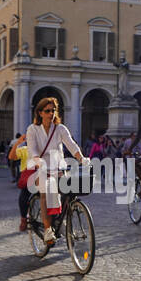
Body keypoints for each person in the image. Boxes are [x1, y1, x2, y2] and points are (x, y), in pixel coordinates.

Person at [26, 97, 88, 245]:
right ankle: (48, 229)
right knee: (45, 193)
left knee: (67, 192)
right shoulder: (32, 130)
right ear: (40, 113)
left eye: (53, 110)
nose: (51, 114)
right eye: (47, 111)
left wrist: (81, 158)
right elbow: (32, 150)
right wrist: (38, 160)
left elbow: (71, 145)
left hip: (59, 167)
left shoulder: (60, 129)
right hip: (41, 167)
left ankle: (62, 219)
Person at [11, 130, 32, 230]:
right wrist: (17, 143)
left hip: (41, 176)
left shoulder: (43, 149)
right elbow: (11, 156)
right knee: (23, 196)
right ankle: (23, 219)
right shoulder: (24, 149)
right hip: (28, 178)